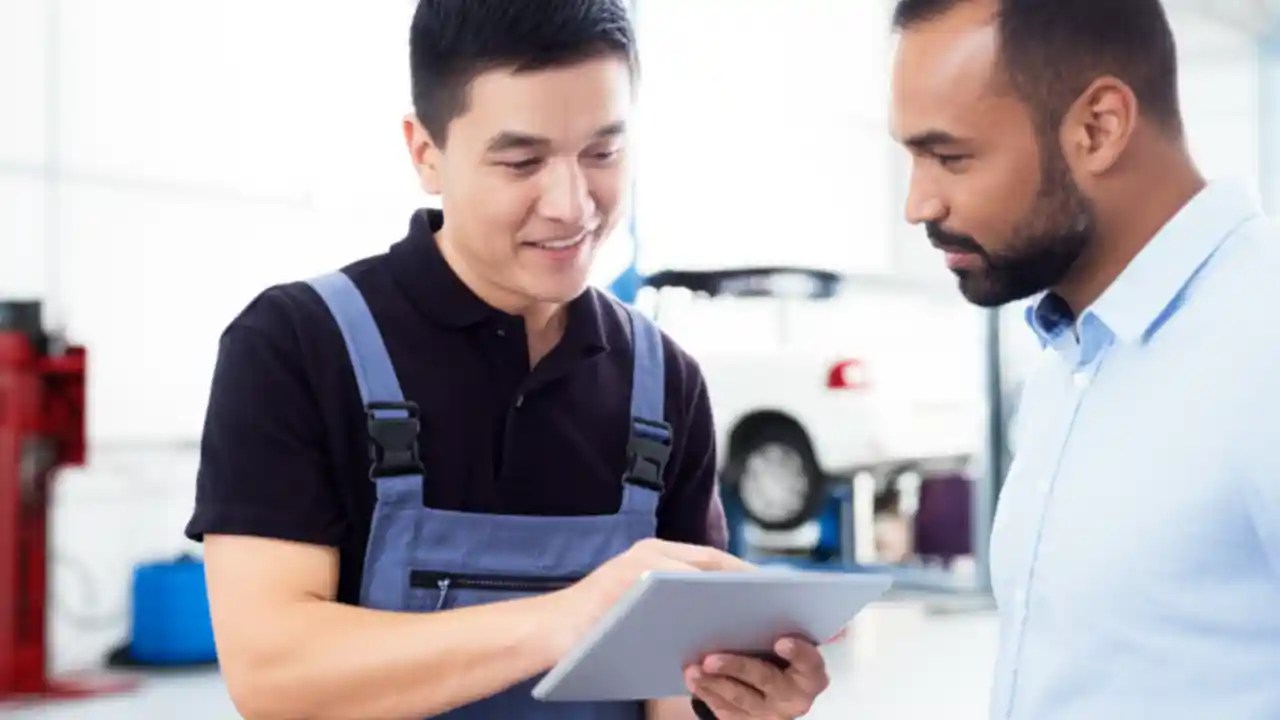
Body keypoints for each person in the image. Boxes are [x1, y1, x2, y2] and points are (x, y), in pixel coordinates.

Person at [184, 1, 837, 718]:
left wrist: (741, 697)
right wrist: (562, 619)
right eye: (522, 161)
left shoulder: (665, 382)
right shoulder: (296, 347)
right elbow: (274, 675)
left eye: (603, 153)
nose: (571, 204)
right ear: (424, 151)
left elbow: (670, 697)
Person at [889, 0, 1280, 717]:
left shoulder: (1264, 341)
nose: (919, 203)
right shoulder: (1071, 359)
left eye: (950, 157)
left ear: (1098, 128)